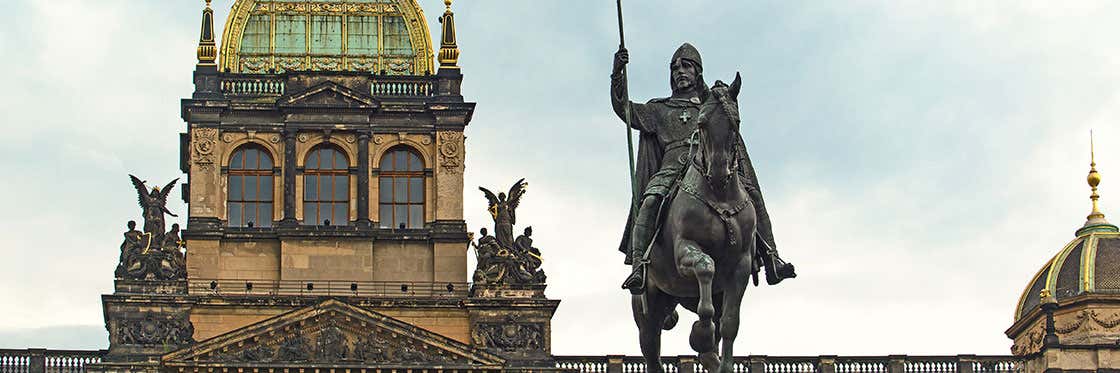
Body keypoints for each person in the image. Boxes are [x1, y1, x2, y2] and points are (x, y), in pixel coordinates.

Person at [611, 43, 794, 293]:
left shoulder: (712, 105)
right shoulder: (659, 109)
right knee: (651, 200)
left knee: (752, 195)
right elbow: (626, 109)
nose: (680, 71)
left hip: (710, 163)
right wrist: (617, 74)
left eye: (686, 66)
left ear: (697, 72)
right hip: (672, 169)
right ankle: (639, 267)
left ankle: (772, 257)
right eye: (675, 68)